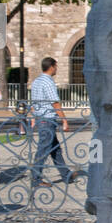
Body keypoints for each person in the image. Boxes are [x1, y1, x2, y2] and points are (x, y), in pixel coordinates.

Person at [29, 57, 80, 190]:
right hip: (47, 119)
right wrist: (64, 119)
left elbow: (33, 102)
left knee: (55, 149)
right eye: (56, 66)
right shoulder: (48, 82)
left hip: (41, 118)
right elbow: (55, 102)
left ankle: (66, 175)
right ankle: (36, 178)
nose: (56, 69)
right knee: (43, 149)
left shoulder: (36, 81)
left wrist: (34, 116)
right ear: (51, 66)